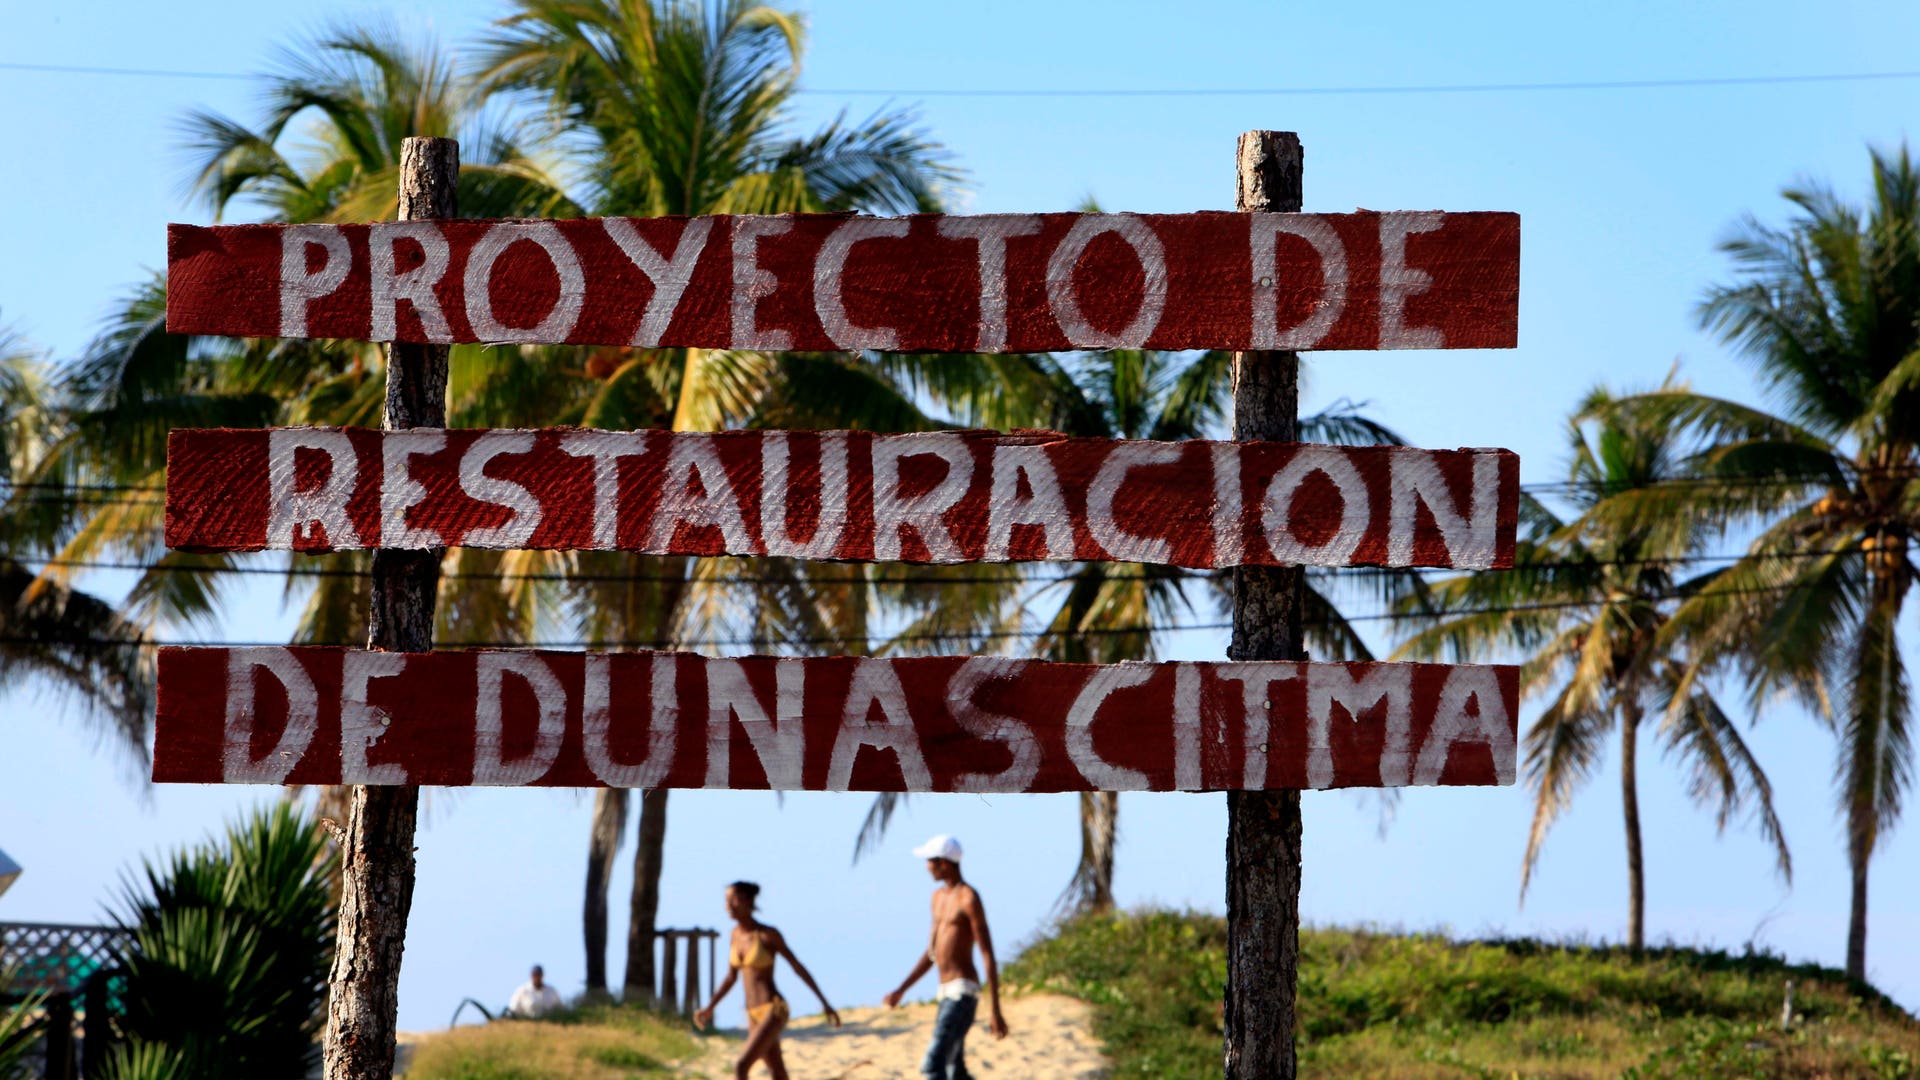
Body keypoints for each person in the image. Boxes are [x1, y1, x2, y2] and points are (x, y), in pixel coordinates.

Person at [883, 835, 1008, 1080]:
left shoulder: (968, 898)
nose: (926, 867)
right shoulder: (937, 898)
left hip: (963, 992)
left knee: (932, 1066)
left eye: (930, 861)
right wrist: (902, 989)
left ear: (944, 863)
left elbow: (987, 954)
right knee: (954, 1069)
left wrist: (995, 1010)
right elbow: (932, 953)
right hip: (944, 992)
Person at [695, 881, 841, 1080]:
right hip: (752, 1013)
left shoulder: (767, 935)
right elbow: (731, 977)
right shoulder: (735, 935)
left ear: (748, 901)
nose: (728, 905)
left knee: (741, 1066)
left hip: (774, 1008)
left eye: (733, 899)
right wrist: (710, 1007)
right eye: (726, 900)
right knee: (777, 1071)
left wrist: (825, 1003)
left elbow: (797, 967)